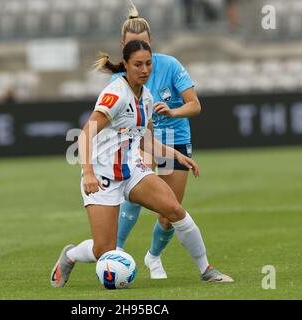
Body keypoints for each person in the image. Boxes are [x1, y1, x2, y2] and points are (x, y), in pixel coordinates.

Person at [50, 40, 233, 288]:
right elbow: (85, 134)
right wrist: (88, 172)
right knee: (103, 249)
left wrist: (177, 155)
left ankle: (206, 270)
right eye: (138, 64)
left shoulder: (146, 97)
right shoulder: (115, 94)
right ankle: (70, 256)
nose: (144, 69)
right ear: (125, 65)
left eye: (148, 64)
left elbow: (145, 139)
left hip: (132, 170)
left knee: (175, 210)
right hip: (103, 176)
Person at [114, 3, 210, 280]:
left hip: (175, 137)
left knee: (169, 213)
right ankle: (115, 253)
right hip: (143, 140)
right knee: (134, 195)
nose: (137, 51)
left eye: (142, 44)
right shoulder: (121, 75)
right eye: (131, 46)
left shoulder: (169, 65)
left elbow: (195, 105)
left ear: (150, 42)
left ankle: (153, 257)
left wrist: (173, 111)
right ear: (123, 46)